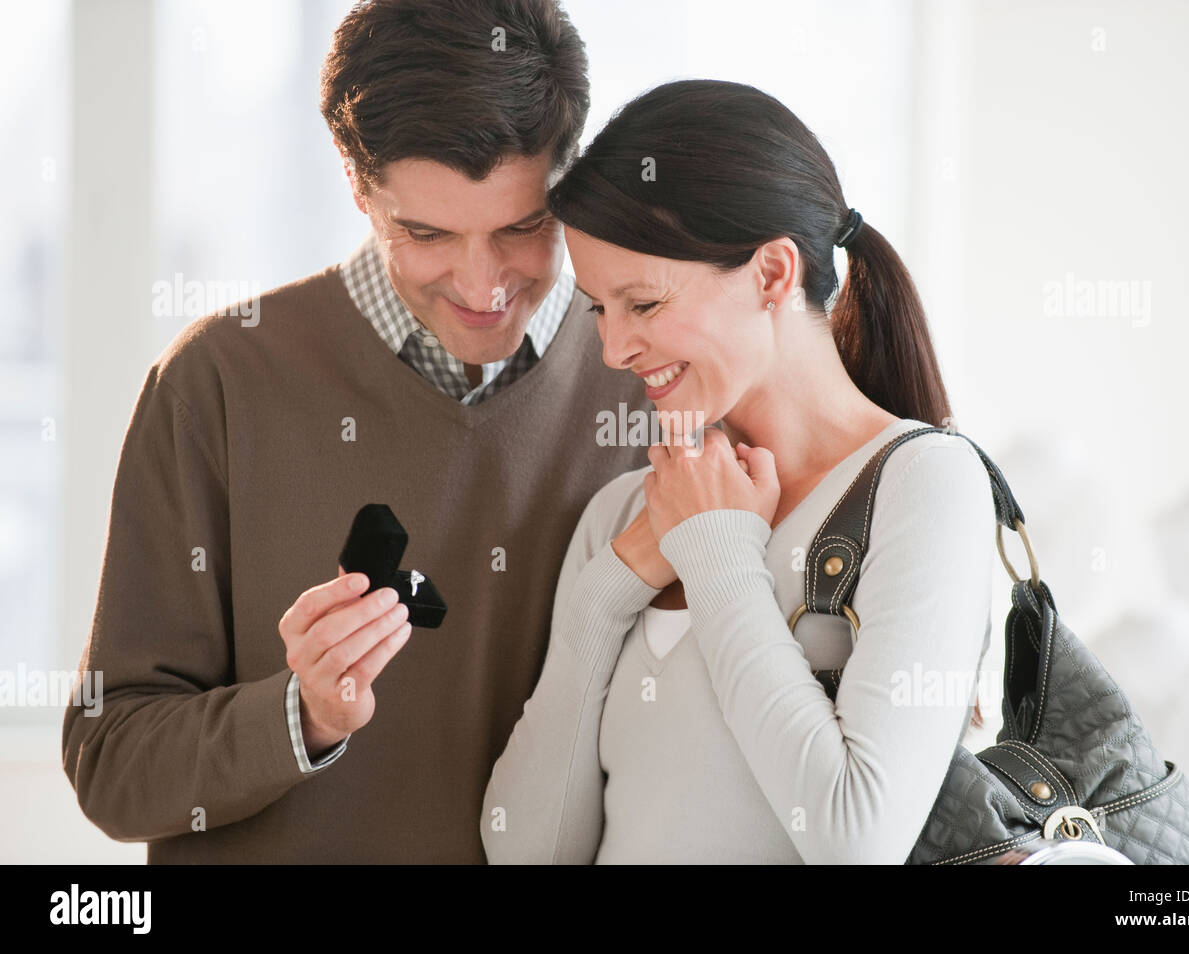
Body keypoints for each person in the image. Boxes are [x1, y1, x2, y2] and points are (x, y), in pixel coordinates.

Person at [61, 0, 652, 863]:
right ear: (356, 184)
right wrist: (299, 716)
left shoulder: (653, 381)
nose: (482, 284)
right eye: (427, 233)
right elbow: (111, 763)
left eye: (524, 228)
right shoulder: (218, 383)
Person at [480, 79, 997, 864]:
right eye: (597, 310)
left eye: (643, 305)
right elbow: (525, 852)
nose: (615, 350)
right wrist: (605, 595)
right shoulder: (624, 514)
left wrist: (719, 554)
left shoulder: (922, 485)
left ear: (771, 276)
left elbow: (854, 838)